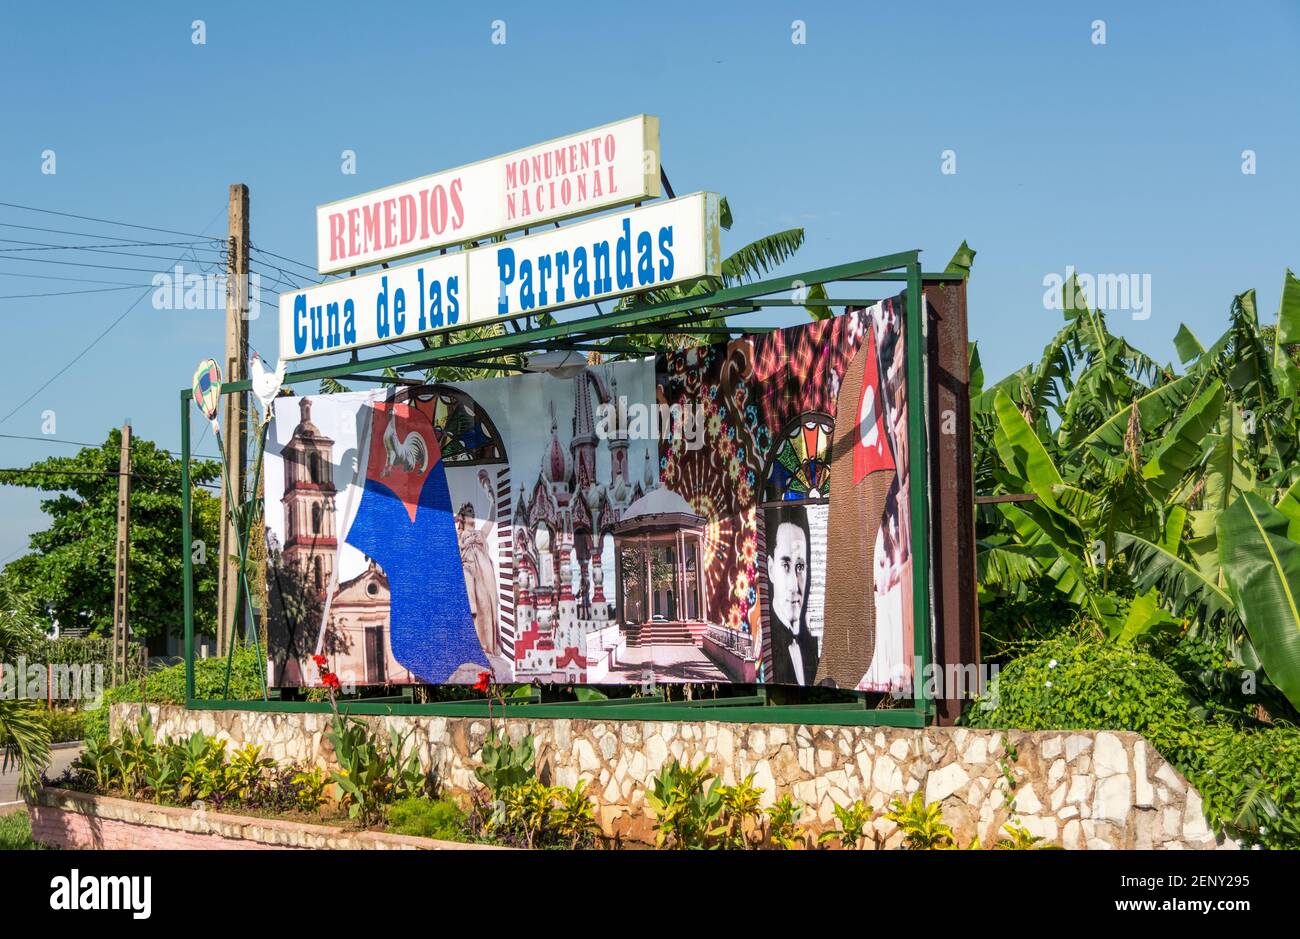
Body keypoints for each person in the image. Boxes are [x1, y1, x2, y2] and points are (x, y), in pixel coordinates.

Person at [765, 509, 818, 685]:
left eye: (800, 566)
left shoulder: (811, 645)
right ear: (771, 569)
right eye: (786, 565)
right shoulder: (766, 644)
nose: (795, 585)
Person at [456, 469, 499, 657]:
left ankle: (484, 644)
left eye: (472, 511)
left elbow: (492, 517)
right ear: (462, 517)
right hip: (468, 569)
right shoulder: (459, 535)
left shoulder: (480, 534)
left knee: (485, 607)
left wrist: (491, 496)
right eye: (468, 512)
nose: (471, 514)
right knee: (470, 601)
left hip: (484, 575)